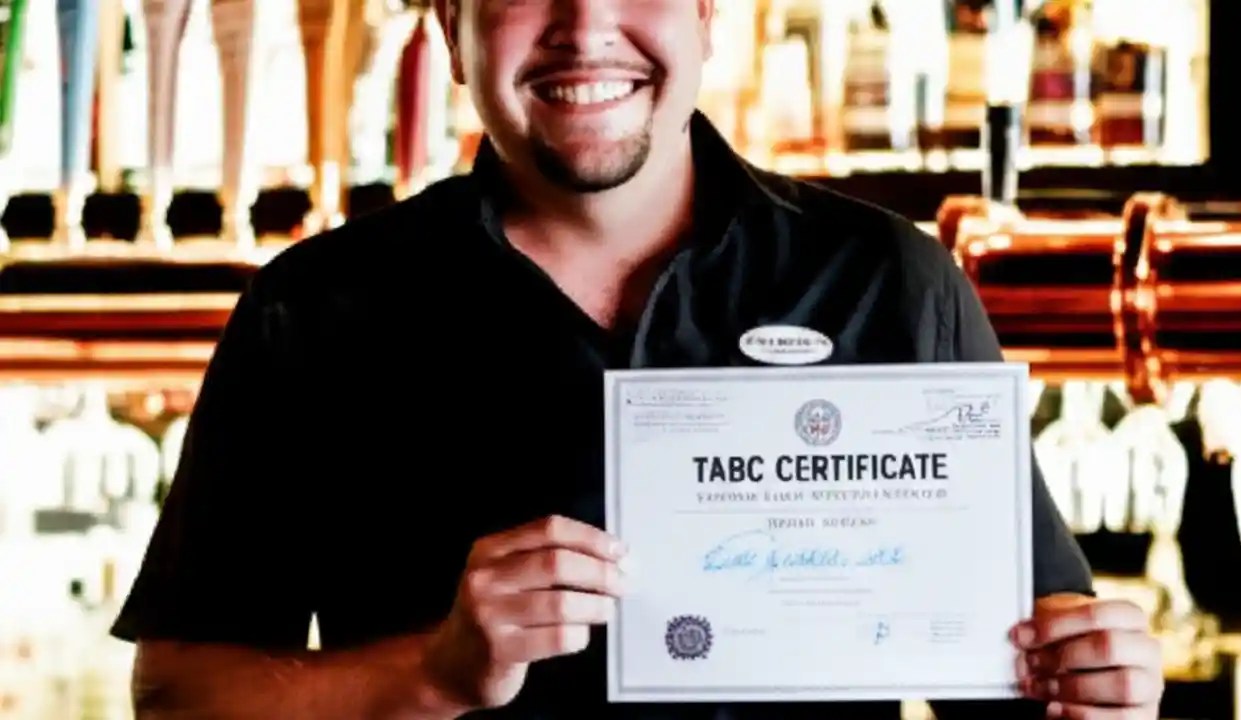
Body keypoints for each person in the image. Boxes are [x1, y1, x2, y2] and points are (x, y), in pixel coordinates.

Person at [113, 0, 1165, 718]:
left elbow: (1014, 672)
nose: (584, 28)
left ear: (708, 14)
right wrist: (432, 674)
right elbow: (178, 696)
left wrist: (1091, 680)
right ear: (448, 27)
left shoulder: (890, 280)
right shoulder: (313, 309)